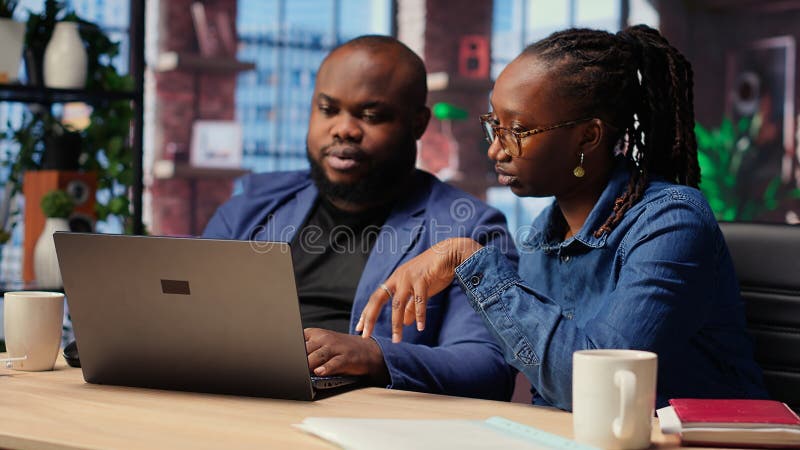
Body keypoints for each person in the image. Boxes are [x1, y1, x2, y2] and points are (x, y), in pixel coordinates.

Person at [357, 25, 769, 410]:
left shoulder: (672, 222)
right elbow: (546, 391)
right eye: (494, 126)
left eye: (516, 131)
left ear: (588, 136)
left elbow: (596, 390)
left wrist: (470, 260)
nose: (495, 151)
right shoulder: (543, 235)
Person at [203, 35, 516, 400]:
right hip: (235, 399)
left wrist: (372, 355)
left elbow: (488, 369)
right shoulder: (251, 207)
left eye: (370, 116)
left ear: (418, 124)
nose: (344, 129)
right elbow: (188, 317)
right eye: (328, 110)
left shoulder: (469, 228)